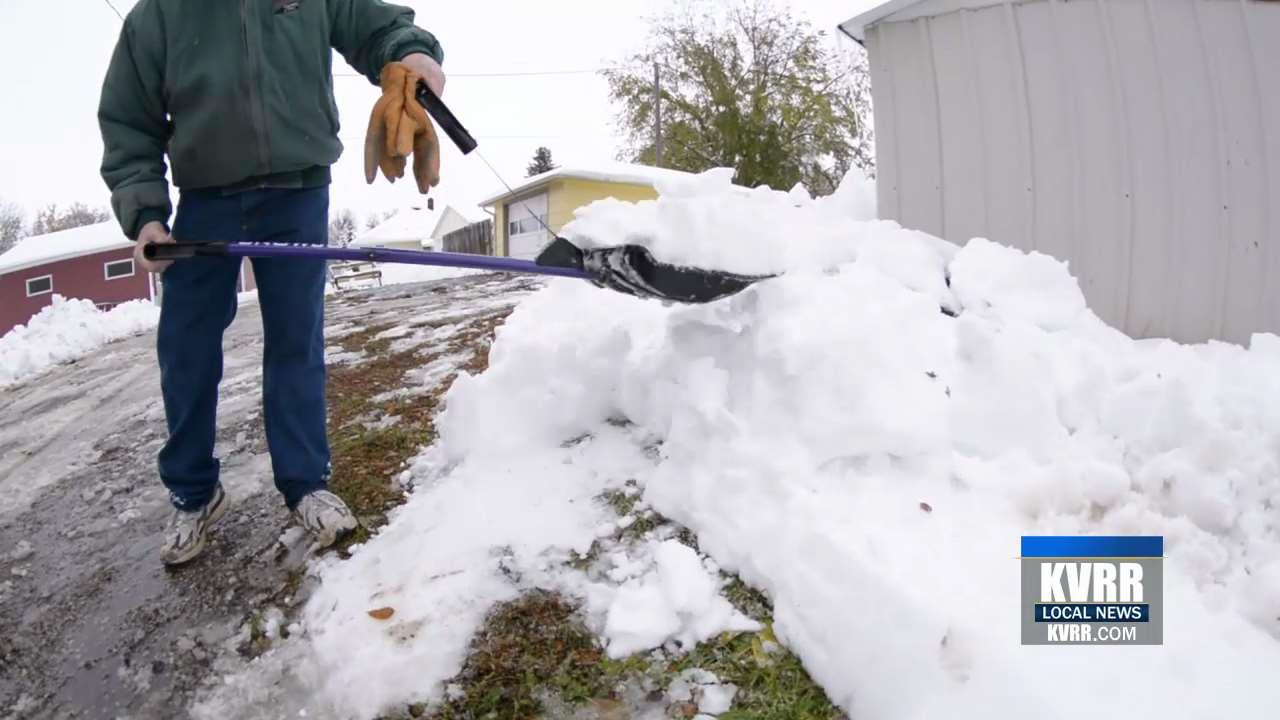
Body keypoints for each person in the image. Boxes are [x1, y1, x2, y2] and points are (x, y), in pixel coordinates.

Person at [98, 0, 445, 566]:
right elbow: (128, 125)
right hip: (205, 200)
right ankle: (194, 493)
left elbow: (377, 26)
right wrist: (146, 217)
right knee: (185, 349)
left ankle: (306, 484)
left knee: (295, 341)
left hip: (299, 193)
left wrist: (412, 55)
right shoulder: (158, 15)